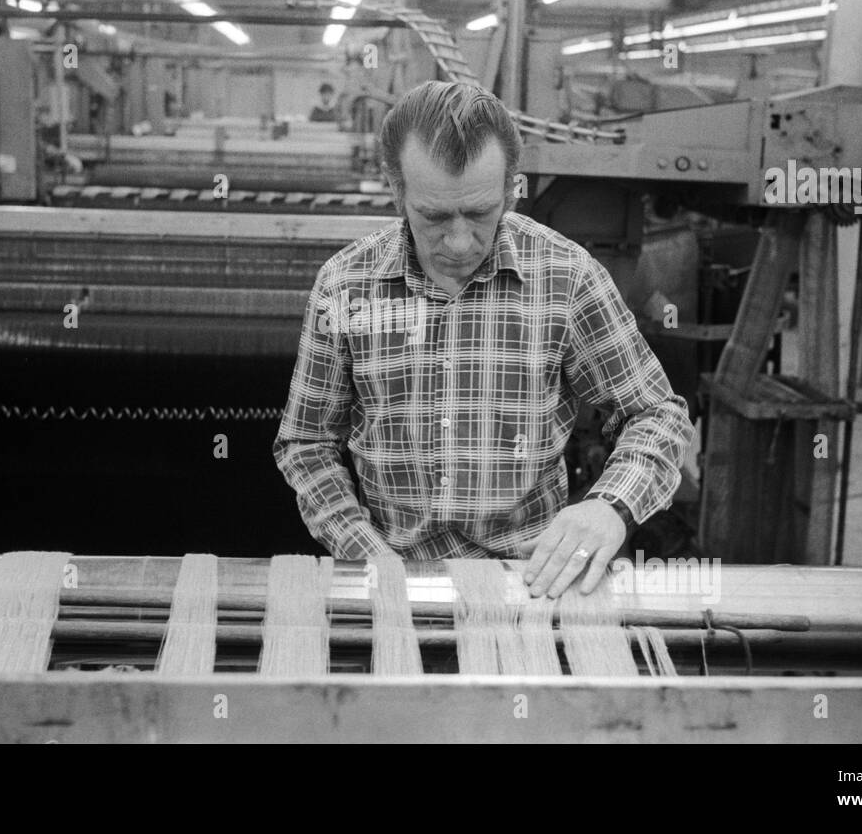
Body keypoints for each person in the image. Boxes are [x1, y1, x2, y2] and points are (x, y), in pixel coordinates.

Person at [274, 81, 692, 599]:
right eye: (434, 216)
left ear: (512, 188)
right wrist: (365, 553)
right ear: (396, 187)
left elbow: (657, 414)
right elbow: (308, 441)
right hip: (391, 585)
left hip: (533, 586)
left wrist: (610, 506)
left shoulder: (565, 277)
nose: (458, 241)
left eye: (479, 213)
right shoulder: (345, 285)